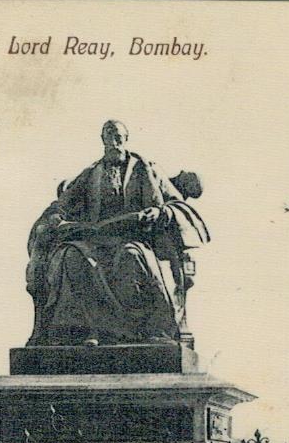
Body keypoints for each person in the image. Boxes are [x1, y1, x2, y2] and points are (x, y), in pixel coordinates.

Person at [26, 120, 209, 347]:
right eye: (108, 138)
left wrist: (159, 213)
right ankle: (85, 331)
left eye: (118, 138)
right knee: (71, 256)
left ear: (126, 139)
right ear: (102, 140)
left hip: (134, 238)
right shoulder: (91, 173)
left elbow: (177, 205)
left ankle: (136, 332)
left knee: (130, 257)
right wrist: (55, 218)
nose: (113, 143)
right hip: (94, 240)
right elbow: (62, 205)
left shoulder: (146, 169)